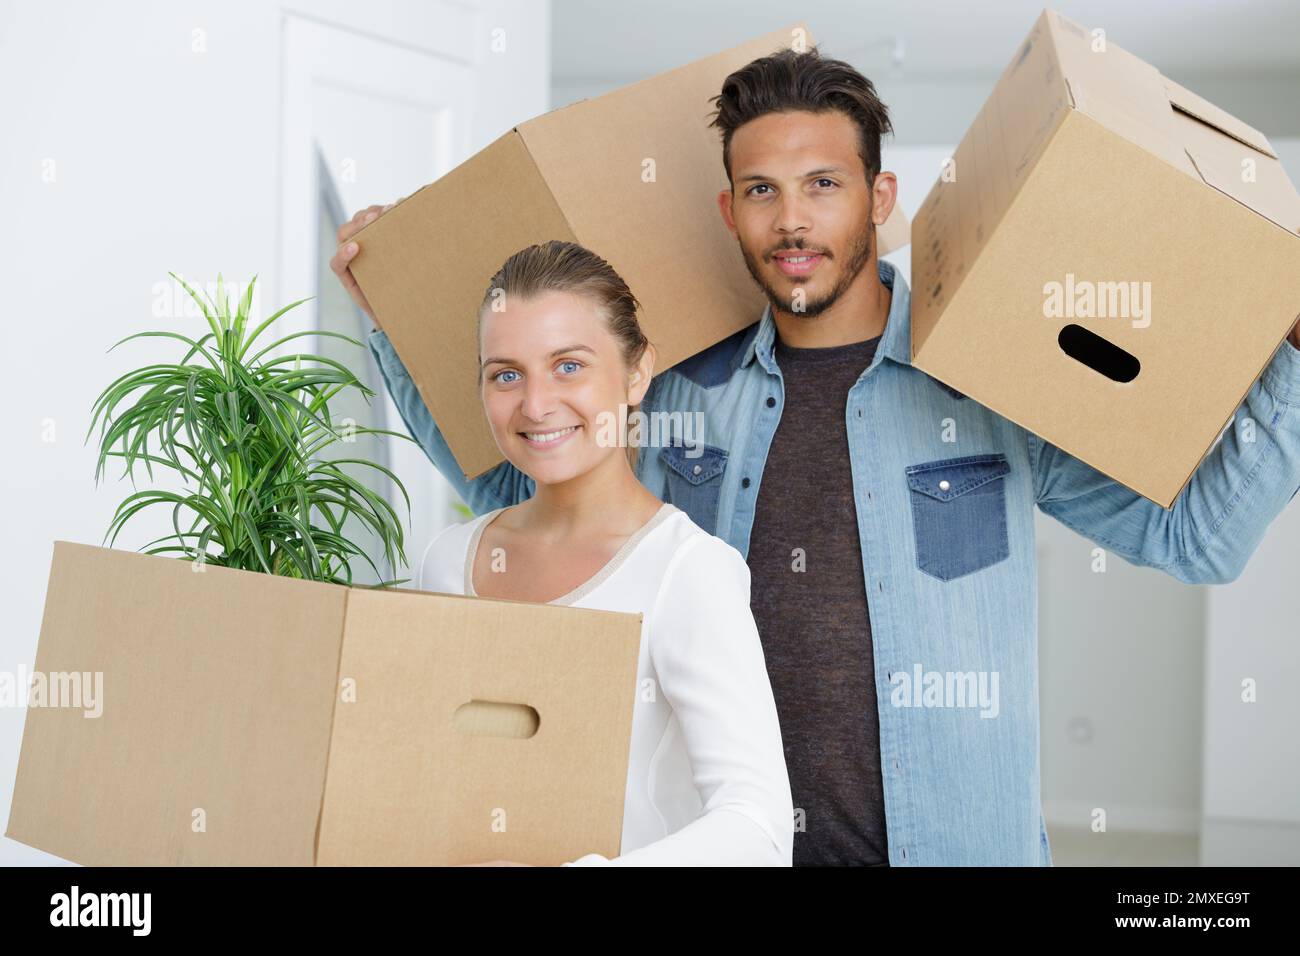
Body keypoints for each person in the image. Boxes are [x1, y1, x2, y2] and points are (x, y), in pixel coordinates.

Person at [333, 46, 1300, 866]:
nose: (791, 222)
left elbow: (1196, 540)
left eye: (822, 186)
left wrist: (1292, 355)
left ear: (880, 196)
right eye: (763, 191)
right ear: (730, 211)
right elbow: (506, 481)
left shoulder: (987, 379)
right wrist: (392, 321)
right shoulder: (679, 389)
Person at [413, 239, 792, 866]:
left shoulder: (686, 571)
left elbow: (759, 828)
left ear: (637, 373)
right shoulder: (448, 562)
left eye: (569, 366)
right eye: (506, 374)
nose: (536, 405)